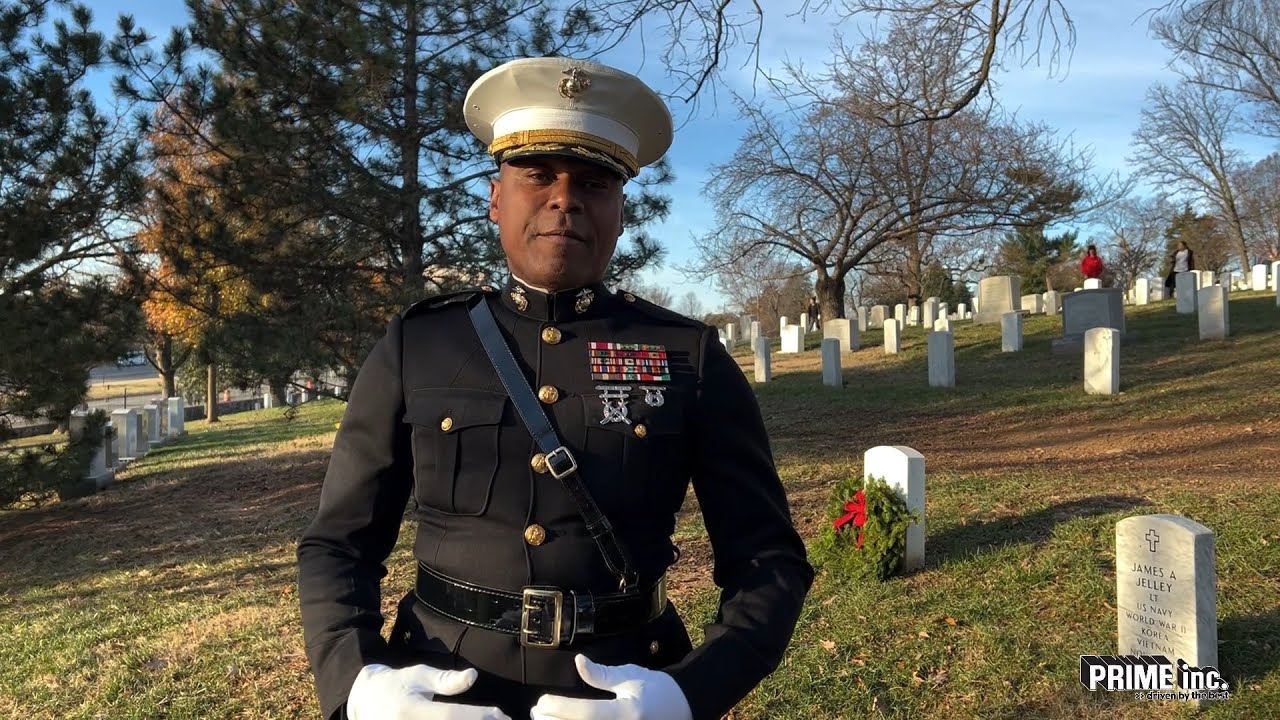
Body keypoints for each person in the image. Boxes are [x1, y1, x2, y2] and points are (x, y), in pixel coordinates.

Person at [297, 57, 814, 720]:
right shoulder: (418, 345)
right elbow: (338, 543)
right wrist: (359, 684)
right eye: (537, 174)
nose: (564, 198)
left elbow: (769, 560)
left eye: (593, 183)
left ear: (620, 213)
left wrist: (685, 695)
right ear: (495, 199)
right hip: (436, 691)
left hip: (625, 692)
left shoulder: (686, 355)